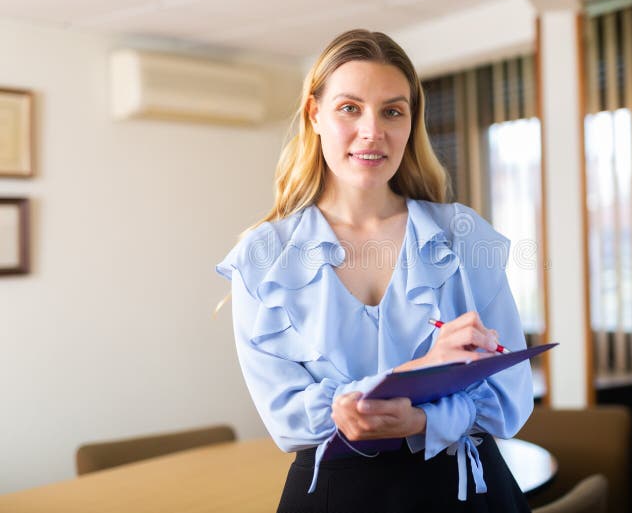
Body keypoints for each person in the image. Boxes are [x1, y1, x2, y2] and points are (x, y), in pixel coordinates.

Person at [215, 29, 533, 512]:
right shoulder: (263, 257)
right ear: (314, 114)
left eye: (392, 110)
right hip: (333, 497)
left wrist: (421, 422)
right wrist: (426, 383)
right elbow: (287, 421)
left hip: (465, 495)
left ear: (410, 122)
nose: (372, 131)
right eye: (349, 108)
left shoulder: (464, 237)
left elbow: (510, 400)